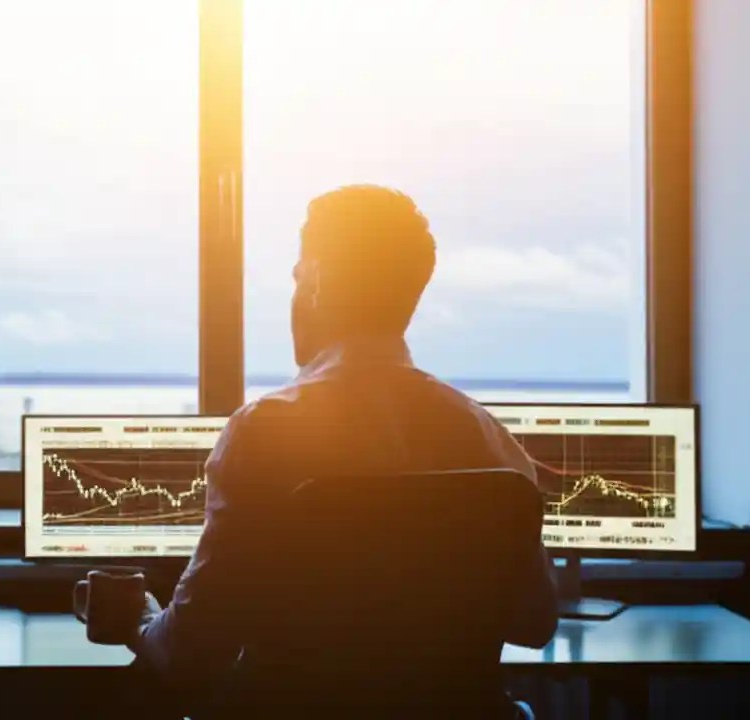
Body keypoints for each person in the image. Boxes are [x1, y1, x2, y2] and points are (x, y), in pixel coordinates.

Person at [128, 184, 558, 712]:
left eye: (297, 277)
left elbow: (190, 653)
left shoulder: (264, 431)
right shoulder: (487, 438)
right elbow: (534, 622)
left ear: (315, 285)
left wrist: (140, 621)